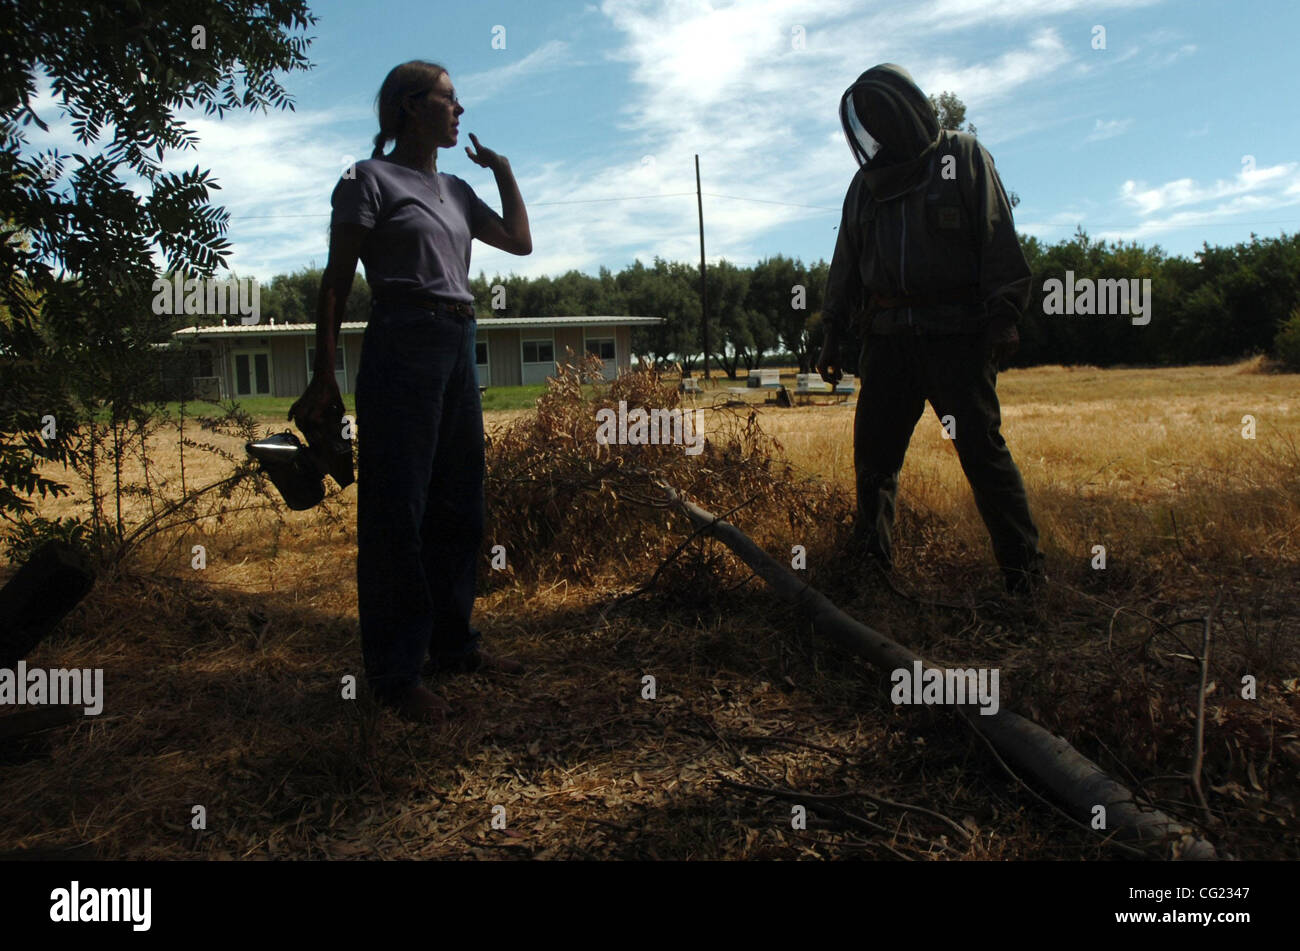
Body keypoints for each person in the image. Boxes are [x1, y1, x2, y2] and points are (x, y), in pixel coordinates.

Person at [290, 60, 532, 724]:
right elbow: (336, 283)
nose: (460, 111)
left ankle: (453, 645)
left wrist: (503, 171)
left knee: (460, 505)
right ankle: (396, 675)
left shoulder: (455, 188)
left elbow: (519, 241)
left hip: (458, 341)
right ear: (409, 107)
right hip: (402, 339)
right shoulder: (366, 180)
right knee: (398, 511)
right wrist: (324, 372)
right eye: (449, 100)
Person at [817, 63, 1045, 594]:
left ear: (904, 109)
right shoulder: (865, 186)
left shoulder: (963, 157)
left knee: (982, 455)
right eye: (865, 117)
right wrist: (832, 330)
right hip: (887, 341)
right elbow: (845, 261)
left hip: (956, 339)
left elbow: (997, 236)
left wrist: (1005, 315)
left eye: (880, 113)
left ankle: (1024, 578)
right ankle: (870, 575)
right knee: (873, 460)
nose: (873, 125)